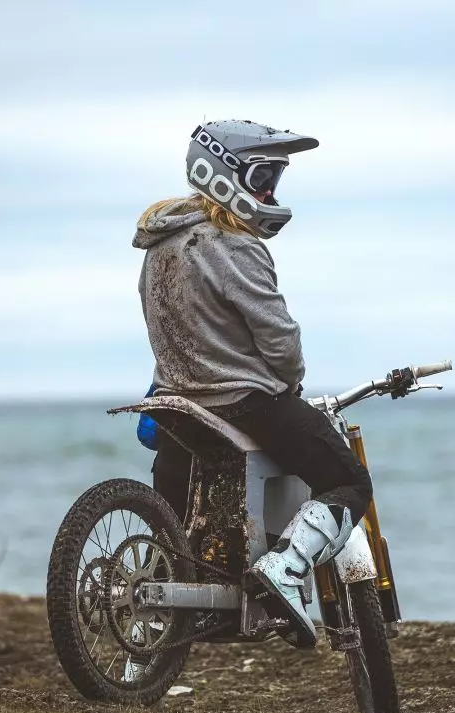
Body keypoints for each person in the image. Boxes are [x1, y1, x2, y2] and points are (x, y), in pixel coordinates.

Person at [132, 120, 372, 647]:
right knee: (351, 483)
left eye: (275, 180)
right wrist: (291, 383)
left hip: (177, 408)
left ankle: (145, 644)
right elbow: (279, 339)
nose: (267, 193)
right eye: (262, 177)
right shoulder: (235, 245)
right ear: (220, 173)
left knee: (173, 527)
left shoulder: (159, 245)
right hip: (243, 403)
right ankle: (283, 570)